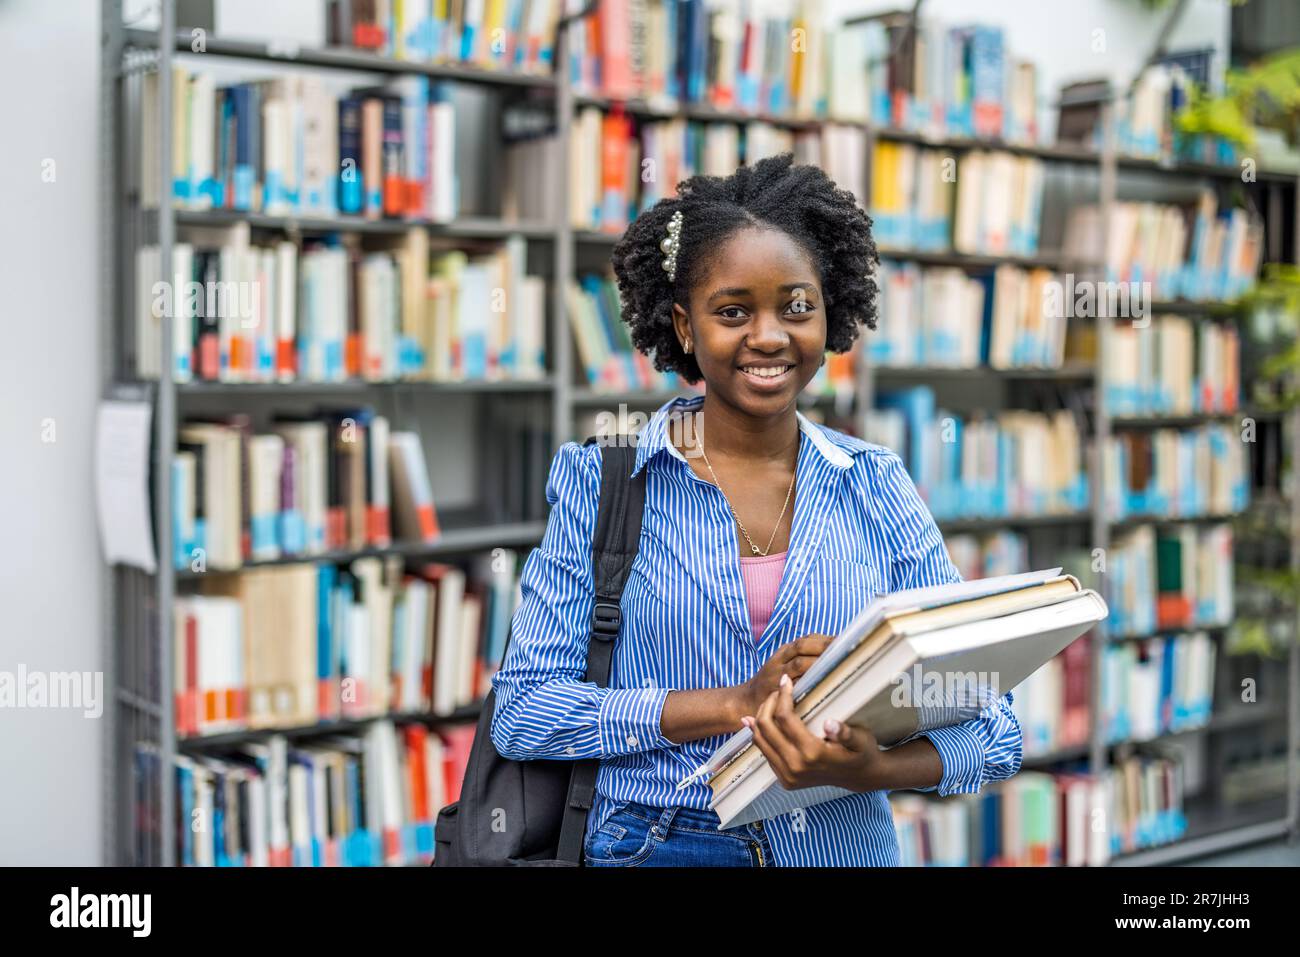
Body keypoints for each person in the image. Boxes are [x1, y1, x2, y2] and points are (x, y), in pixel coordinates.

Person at [489, 152, 1022, 866]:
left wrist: (869, 766)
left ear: (829, 311)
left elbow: (997, 727)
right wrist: (729, 702)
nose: (769, 336)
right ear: (684, 325)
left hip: (838, 844)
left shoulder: (876, 486)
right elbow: (526, 713)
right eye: (733, 310)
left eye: (796, 306)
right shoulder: (602, 484)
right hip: (657, 843)